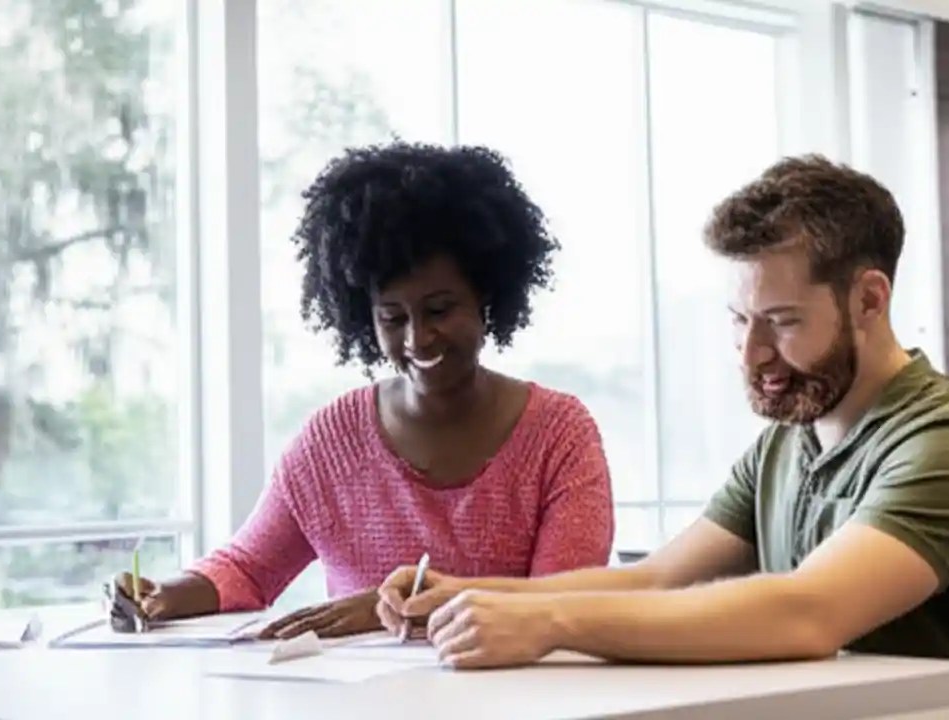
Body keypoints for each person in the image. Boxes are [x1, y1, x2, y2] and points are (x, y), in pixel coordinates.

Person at [376, 154, 949, 668]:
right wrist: (463, 593)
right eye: (740, 320)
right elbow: (655, 580)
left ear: (870, 299)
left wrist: (551, 623)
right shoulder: (787, 443)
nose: (752, 354)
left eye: (782, 321)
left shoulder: (947, 442)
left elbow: (809, 612)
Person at [114, 141, 615, 639]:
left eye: (440, 310)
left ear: (487, 296)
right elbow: (247, 568)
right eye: (393, 318)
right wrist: (164, 595)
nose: (418, 338)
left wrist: (387, 609)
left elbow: (566, 601)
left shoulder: (559, 435)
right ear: (362, 317)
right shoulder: (333, 440)